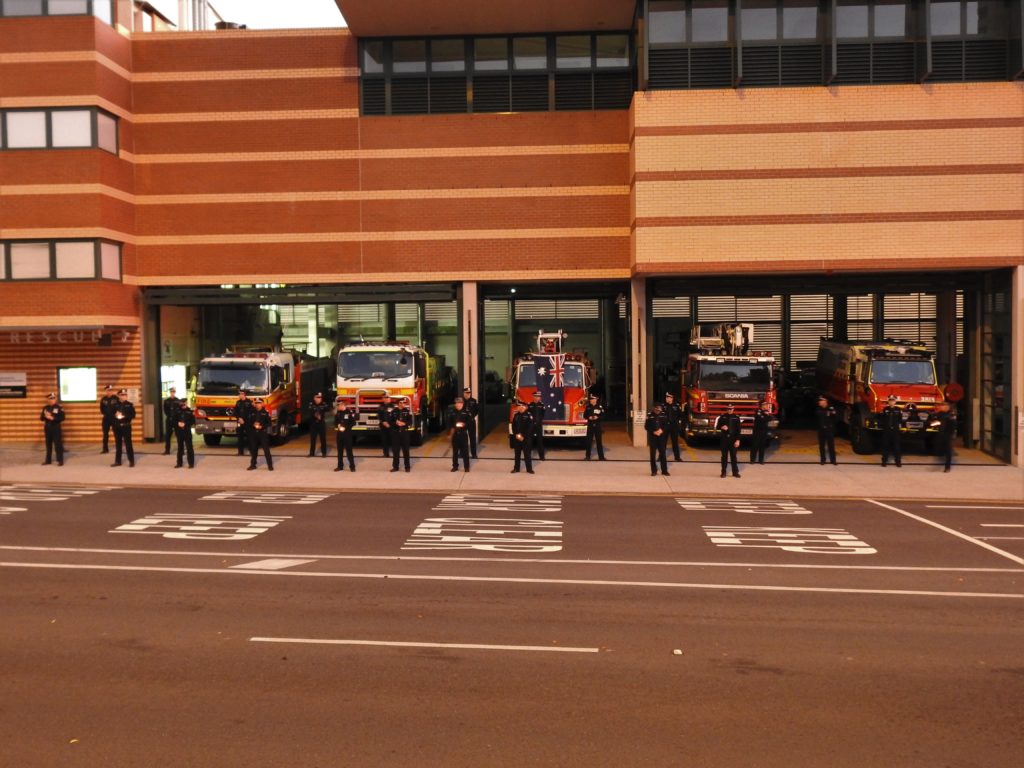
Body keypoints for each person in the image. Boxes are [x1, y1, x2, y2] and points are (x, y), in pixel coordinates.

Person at [715, 403, 742, 478]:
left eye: (731, 409)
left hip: (733, 439)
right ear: (726, 409)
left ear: (733, 409)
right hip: (724, 439)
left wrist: (738, 440)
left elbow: (739, 430)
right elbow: (717, 427)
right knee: (724, 457)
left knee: (734, 456)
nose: (730, 410)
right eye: (728, 409)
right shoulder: (722, 417)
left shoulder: (736, 417)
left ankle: (735, 472)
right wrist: (722, 427)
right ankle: (723, 472)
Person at [247, 397, 274, 471]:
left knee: (266, 450)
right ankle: (253, 465)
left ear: (262, 404)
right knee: (254, 450)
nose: (257, 404)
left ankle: (270, 465)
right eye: (256, 403)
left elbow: (269, 423)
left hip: (262, 433)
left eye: (259, 403)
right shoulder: (252, 412)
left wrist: (262, 426)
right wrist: (253, 424)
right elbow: (248, 422)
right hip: (254, 433)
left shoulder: (265, 412)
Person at [111, 388, 136, 467]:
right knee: (118, 444)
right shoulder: (115, 405)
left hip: (126, 426)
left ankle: (131, 461)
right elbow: (111, 415)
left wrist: (124, 416)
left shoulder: (129, 405)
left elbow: (133, 415)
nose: (124, 396)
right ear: (119, 396)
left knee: (128, 444)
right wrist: (115, 415)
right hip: (117, 427)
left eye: (125, 395)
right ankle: (118, 461)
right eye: (122, 395)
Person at [930, 401, 956, 472]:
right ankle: (940, 455)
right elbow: (936, 421)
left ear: (948, 407)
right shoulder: (940, 414)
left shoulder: (951, 414)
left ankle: (947, 467)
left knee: (948, 450)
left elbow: (952, 425)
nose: (941, 407)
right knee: (939, 447)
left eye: (943, 406)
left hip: (948, 434)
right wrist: (934, 423)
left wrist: (952, 434)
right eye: (941, 406)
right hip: (941, 433)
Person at [40, 392, 65, 466]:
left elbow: (62, 418)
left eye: (53, 398)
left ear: (55, 399)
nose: (51, 400)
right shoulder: (45, 408)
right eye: (50, 399)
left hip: (56, 428)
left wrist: (53, 418)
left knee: (58, 445)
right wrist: (45, 416)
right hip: (47, 428)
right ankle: (48, 460)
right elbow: (41, 418)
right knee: (48, 445)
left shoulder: (59, 408)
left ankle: (60, 460)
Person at [645, 403, 670, 477]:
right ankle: (654, 471)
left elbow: (666, 425)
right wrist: (653, 432)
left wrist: (662, 430)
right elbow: (646, 426)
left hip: (661, 437)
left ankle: (664, 471)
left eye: (660, 408)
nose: (659, 410)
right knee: (652, 455)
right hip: (653, 437)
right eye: (657, 408)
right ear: (654, 408)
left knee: (663, 454)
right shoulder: (649, 415)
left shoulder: (664, 415)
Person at [449, 397, 473, 472]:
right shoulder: (452, 412)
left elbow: (470, 422)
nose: (458, 405)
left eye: (459, 403)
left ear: (462, 404)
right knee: (455, 452)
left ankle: (466, 467)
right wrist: (450, 434)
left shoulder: (466, 412)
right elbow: (450, 423)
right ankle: (455, 466)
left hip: (463, 434)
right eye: (456, 403)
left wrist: (464, 424)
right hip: (455, 434)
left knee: (465, 452)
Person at [389, 397, 413, 472]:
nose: (403, 404)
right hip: (396, 433)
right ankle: (395, 467)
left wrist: (404, 423)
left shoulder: (407, 411)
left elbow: (410, 422)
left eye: (404, 403)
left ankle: (407, 467)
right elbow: (390, 422)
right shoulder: (393, 411)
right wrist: (396, 423)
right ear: (398, 403)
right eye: (401, 403)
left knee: (406, 450)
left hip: (404, 433)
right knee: (396, 451)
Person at [510, 401, 534, 474]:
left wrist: (523, 436)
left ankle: (529, 469)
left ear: (523, 407)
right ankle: (516, 468)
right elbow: (513, 426)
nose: (517, 407)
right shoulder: (516, 415)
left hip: (525, 438)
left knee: (527, 454)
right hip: (517, 438)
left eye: (518, 406)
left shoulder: (529, 415)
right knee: (517, 454)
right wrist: (516, 434)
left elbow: (530, 428)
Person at [333, 397, 357, 472]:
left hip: (347, 434)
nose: (338, 407)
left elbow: (353, 423)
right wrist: (338, 425)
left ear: (343, 405)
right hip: (339, 435)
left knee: (349, 451)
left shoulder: (349, 412)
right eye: (337, 406)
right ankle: (340, 466)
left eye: (339, 406)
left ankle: (352, 467)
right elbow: (335, 423)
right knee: (340, 452)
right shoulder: (338, 413)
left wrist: (346, 428)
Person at [880, 395, 903, 468]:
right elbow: (882, 419)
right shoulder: (885, 409)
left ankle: (898, 461)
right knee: (885, 446)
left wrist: (899, 427)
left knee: (897, 447)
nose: (891, 402)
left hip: (895, 431)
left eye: (893, 400)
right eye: (890, 400)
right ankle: (884, 461)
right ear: (888, 401)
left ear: (895, 401)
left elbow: (900, 420)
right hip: (887, 430)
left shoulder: (898, 410)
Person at [814, 396, 838, 466]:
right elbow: (818, 414)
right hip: (821, 430)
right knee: (821, 446)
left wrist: (828, 413)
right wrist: (828, 413)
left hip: (829, 429)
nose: (819, 402)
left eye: (820, 401)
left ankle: (833, 460)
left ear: (825, 401)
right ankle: (823, 460)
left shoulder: (831, 408)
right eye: (819, 401)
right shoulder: (818, 409)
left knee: (831, 446)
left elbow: (834, 415)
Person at [583, 393, 606, 461]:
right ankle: (587, 456)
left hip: (597, 426)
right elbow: (584, 415)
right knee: (588, 442)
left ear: (596, 399)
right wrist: (589, 417)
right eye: (590, 399)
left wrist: (597, 417)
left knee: (599, 442)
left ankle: (601, 457)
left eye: (592, 399)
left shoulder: (600, 407)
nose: (591, 400)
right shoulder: (588, 407)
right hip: (590, 426)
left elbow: (603, 416)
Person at [174, 400, 196, 469]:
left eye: (185, 403)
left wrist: (185, 424)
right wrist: (178, 423)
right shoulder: (177, 411)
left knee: (189, 448)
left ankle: (191, 464)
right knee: (180, 448)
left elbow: (193, 421)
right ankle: (179, 463)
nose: (184, 404)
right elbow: (173, 420)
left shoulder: (190, 411)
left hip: (187, 431)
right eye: (183, 403)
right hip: (179, 432)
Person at [663, 392, 683, 461]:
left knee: (675, 442)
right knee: (663, 443)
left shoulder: (676, 406)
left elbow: (680, 415)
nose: (666, 398)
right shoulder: (663, 406)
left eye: (668, 397)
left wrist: (678, 423)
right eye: (666, 397)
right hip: (665, 426)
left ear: (671, 398)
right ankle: (661, 457)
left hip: (674, 426)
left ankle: (677, 457)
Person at [308, 391, 329, 458]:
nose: (319, 399)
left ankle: (324, 453)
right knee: (313, 439)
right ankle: (311, 453)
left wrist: (320, 415)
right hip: (313, 424)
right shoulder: (311, 404)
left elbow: (327, 409)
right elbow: (311, 411)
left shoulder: (324, 404)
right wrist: (316, 415)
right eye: (318, 397)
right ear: (314, 398)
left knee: (323, 439)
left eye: (320, 397)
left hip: (321, 424)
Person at [527, 390, 546, 461]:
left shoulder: (542, 405)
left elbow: (543, 414)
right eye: (537, 396)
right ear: (534, 397)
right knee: (529, 441)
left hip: (538, 425)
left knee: (540, 441)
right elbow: (528, 414)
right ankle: (528, 456)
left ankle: (541, 456)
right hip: (531, 425)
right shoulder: (530, 405)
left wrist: (539, 421)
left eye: (539, 397)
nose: (538, 398)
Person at [233, 389, 253, 456]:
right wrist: (239, 418)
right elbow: (235, 412)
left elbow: (251, 412)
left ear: (244, 394)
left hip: (247, 422)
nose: (239, 395)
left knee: (250, 437)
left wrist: (244, 419)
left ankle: (252, 451)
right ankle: (240, 452)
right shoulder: (238, 402)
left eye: (240, 394)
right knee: (240, 437)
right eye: (239, 394)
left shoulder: (249, 402)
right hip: (240, 422)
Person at [99, 384, 117, 454]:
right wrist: (105, 414)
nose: (109, 392)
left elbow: (119, 407)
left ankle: (118, 448)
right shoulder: (103, 399)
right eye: (108, 390)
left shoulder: (116, 398)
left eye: (110, 390)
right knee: (105, 434)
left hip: (114, 418)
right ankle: (105, 449)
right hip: (106, 419)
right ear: (106, 391)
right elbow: (101, 409)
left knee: (116, 434)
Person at [463, 387, 481, 459]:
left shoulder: (473, 401)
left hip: (471, 421)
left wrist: (472, 416)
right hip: (463, 422)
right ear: (464, 393)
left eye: (469, 393)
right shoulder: (461, 401)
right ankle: (462, 453)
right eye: (467, 393)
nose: (468, 394)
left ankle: (474, 454)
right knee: (462, 438)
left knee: (472, 438)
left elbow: (477, 410)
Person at [162, 386, 180, 455]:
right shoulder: (166, 401)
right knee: (168, 436)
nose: (172, 393)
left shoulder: (178, 400)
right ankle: (167, 450)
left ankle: (180, 450)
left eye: (173, 392)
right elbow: (165, 410)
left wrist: (177, 417)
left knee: (178, 435)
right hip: (169, 420)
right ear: (170, 392)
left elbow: (179, 410)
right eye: (171, 392)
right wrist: (169, 416)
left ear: (175, 392)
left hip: (176, 420)